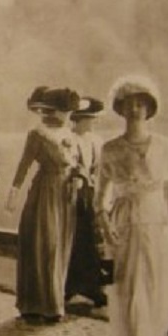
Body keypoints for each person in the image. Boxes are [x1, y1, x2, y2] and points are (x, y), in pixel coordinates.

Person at [95, 75, 168, 336]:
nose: (135, 109)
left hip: (160, 230)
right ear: (120, 109)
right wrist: (105, 226)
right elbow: (99, 199)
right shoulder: (110, 149)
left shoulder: (164, 145)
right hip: (128, 231)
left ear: (150, 108)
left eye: (141, 103)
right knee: (133, 301)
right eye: (130, 103)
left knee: (161, 297)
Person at [6, 86, 81, 325]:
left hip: (66, 194)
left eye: (69, 112)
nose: (68, 116)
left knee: (61, 245)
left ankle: (54, 303)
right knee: (44, 243)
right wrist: (13, 194)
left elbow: (75, 163)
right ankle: (35, 304)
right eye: (65, 111)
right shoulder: (38, 134)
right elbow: (24, 164)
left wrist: (79, 177)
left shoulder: (69, 133)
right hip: (45, 192)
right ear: (55, 110)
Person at [64, 96, 108, 308]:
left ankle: (93, 285)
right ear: (78, 119)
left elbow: (100, 168)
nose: (91, 122)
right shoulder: (68, 139)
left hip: (90, 194)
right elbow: (68, 165)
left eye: (92, 118)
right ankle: (70, 286)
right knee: (74, 237)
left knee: (91, 237)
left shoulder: (96, 141)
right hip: (72, 194)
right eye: (87, 118)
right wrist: (79, 176)